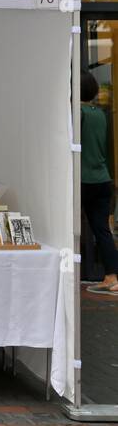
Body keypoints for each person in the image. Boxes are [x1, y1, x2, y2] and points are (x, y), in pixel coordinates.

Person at [81, 70, 118, 295]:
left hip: (83, 180)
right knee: (102, 230)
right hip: (103, 179)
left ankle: (69, 273)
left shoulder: (79, 114)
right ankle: (111, 277)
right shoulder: (101, 114)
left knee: (71, 227)